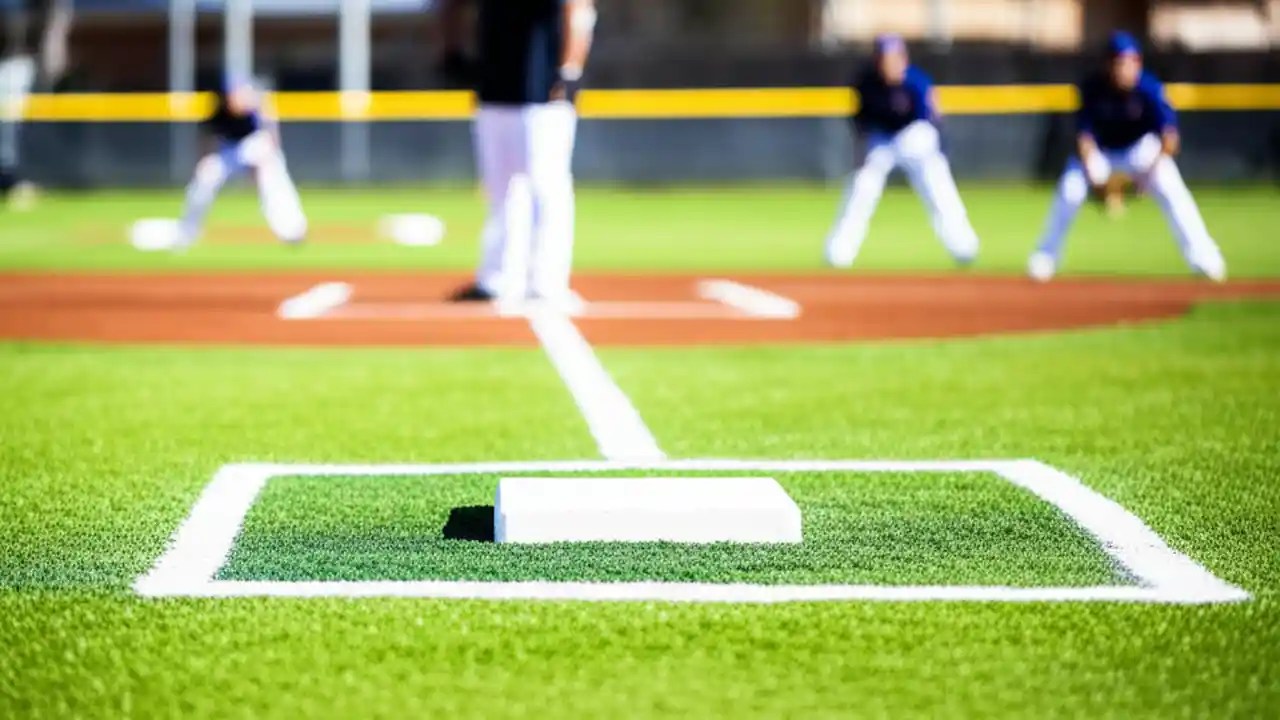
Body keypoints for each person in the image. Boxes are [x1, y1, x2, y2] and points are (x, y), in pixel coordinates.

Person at [1029, 31, 1226, 282]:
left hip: (1141, 153)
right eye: (1118, 62)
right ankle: (1045, 256)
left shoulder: (1150, 87)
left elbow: (1170, 140)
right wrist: (1097, 179)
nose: (1124, 68)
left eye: (1130, 62)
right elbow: (1084, 138)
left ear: (1138, 63)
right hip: (1102, 154)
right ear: (1108, 64)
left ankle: (1205, 257)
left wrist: (1144, 177)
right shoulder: (1092, 87)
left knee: (1171, 188)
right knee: (1070, 190)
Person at [440, 0, 597, 309]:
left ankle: (547, 282)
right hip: (495, 89)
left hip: (544, 92)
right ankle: (497, 278)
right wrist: (453, 53)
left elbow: (578, 10)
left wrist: (569, 69)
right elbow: (450, 7)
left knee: (547, 186)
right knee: (500, 189)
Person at [824, 34, 979, 270]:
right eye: (885, 58)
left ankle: (964, 247)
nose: (890, 63)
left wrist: (940, 151)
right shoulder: (865, 82)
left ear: (903, 58)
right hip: (881, 139)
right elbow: (860, 120)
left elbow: (935, 116)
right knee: (861, 188)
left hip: (914, 135)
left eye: (894, 57)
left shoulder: (916, 81)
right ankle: (839, 252)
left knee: (938, 188)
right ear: (877, 60)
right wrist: (861, 150)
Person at [175, 75, 307, 248]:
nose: (238, 99)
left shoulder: (256, 109)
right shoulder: (218, 110)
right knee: (206, 176)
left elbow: (271, 135)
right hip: (229, 152)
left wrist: (271, 157)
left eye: (242, 94)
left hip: (256, 147)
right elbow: (207, 138)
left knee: (273, 180)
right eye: (234, 95)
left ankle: (292, 229)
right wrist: (204, 160)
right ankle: (187, 231)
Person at [1, 0, 72, 210]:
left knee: (11, 124)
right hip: (12, 55)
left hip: (17, 57)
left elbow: (55, 11)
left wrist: (54, 48)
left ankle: (11, 180)